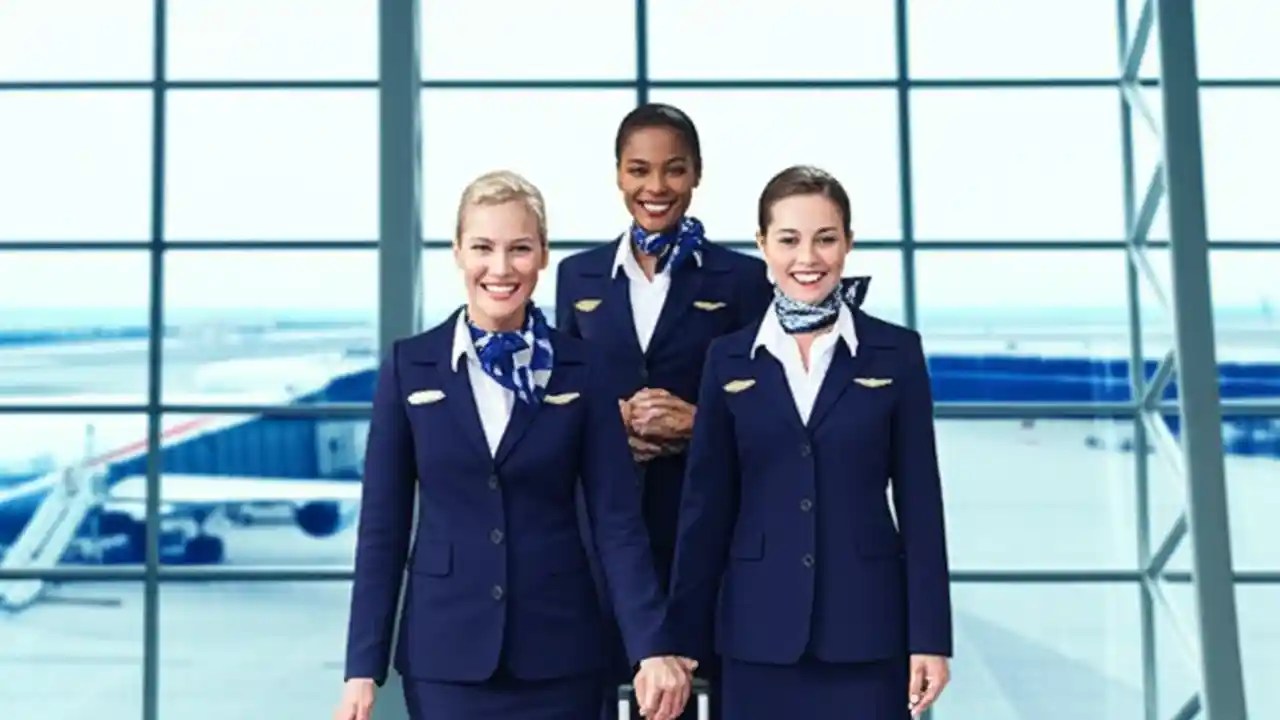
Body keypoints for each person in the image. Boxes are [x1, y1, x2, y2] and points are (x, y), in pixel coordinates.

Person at [335, 170, 694, 720]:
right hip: (446, 658)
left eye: (519, 249)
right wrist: (362, 668)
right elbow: (381, 529)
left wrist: (649, 647)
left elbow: (616, 521)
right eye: (483, 247)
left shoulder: (582, 369)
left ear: (543, 254)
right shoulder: (410, 368)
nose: (500, 269)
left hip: (561, 656)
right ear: (458, 252)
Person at [664, 165, 954, 719]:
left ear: (848, 243)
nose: (808, 258)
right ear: (762, 246)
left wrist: (931, 637)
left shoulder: (896, 354)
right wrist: (683, 637)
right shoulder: (728, 358)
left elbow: (921, 505)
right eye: (789, 239)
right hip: (754, 636)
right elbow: (706, 509)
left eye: (825, 239)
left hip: (867, 635)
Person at [555, 102, 772, 718]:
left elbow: (771, 413)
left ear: (697, 173)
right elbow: (560, 400)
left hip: (705, 535)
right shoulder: (579, 278)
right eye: (639, 170)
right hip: (605, 535)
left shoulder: (743, 280)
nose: (656, 188)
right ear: (618, 175)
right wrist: (608, 426)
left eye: (674, 170)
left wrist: (701, 425)